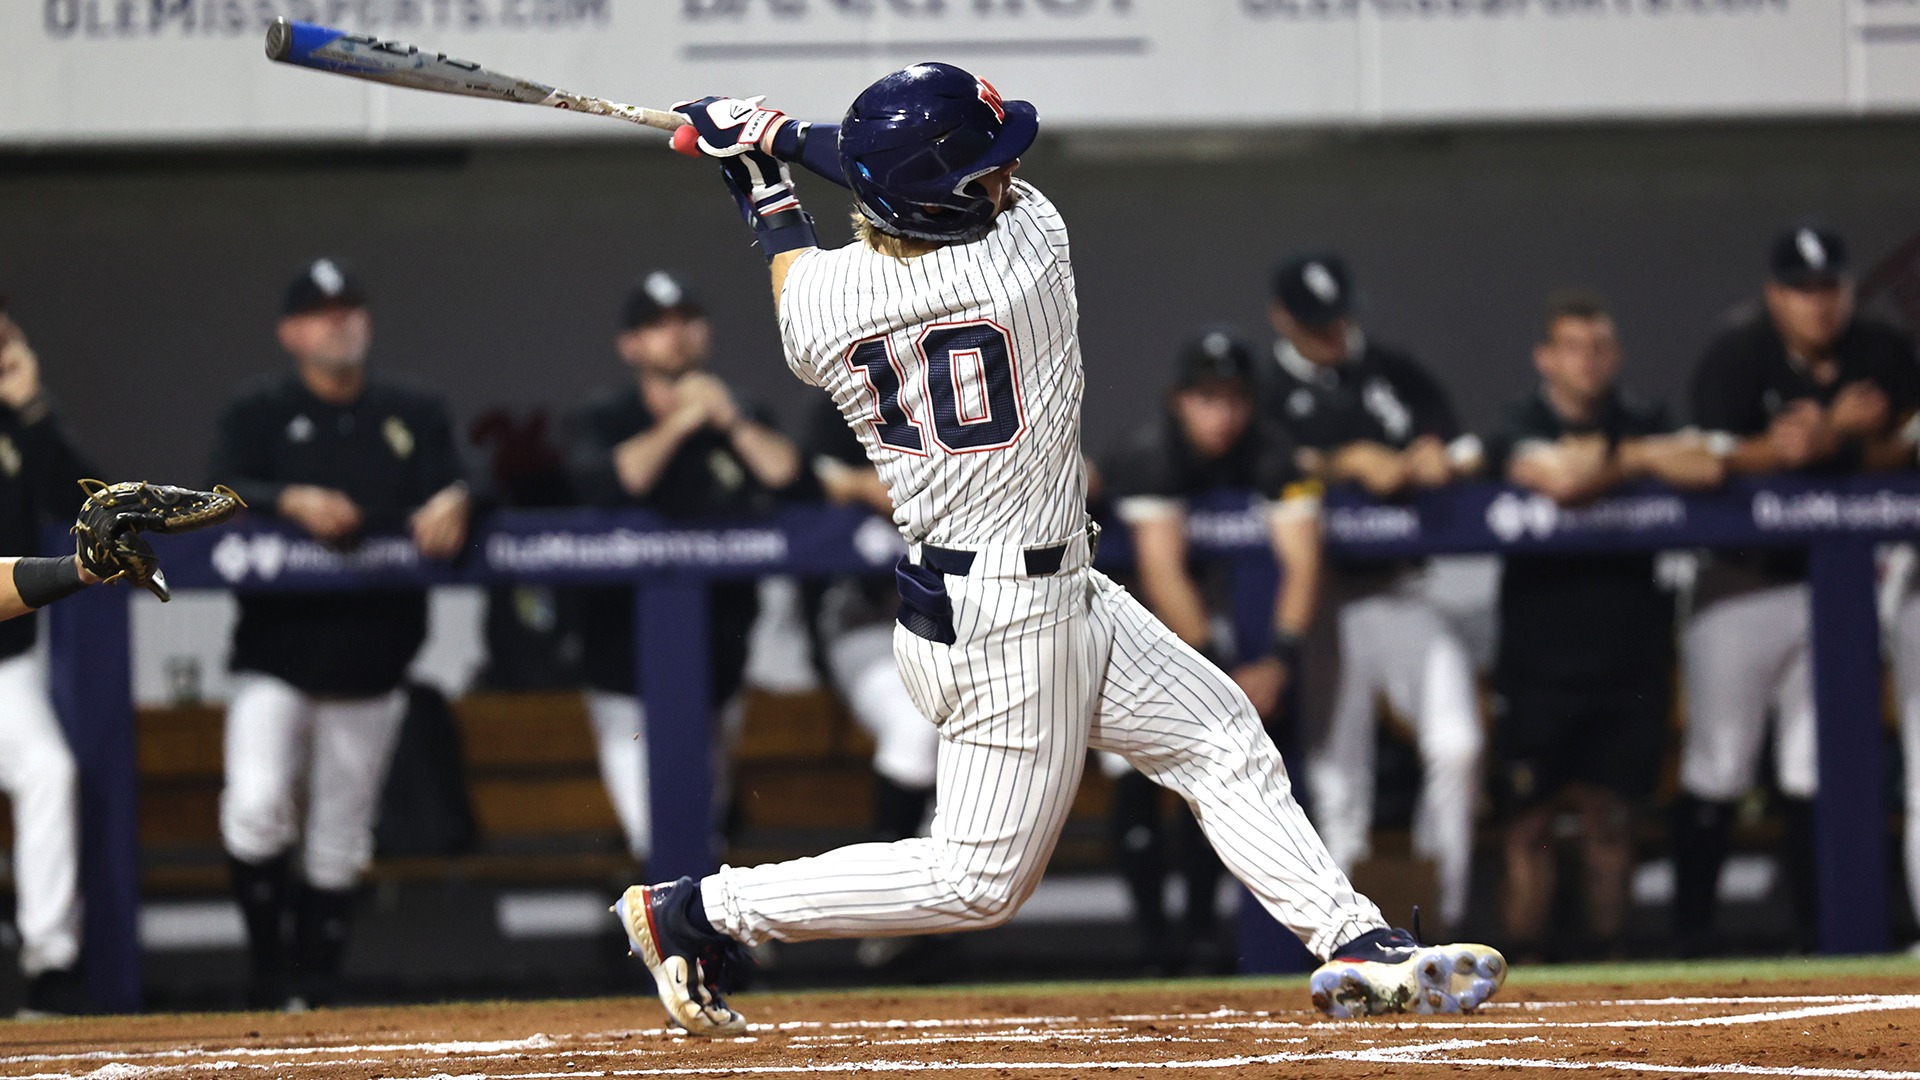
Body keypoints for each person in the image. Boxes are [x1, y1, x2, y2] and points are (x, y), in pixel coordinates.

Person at [608, 66, 1505, 1034]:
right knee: (978, 881)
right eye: (981, 173)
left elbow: (796, 246)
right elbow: (862, 169)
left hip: (1018, 593)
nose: (1005, 177)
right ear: (939, 200)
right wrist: (777, 135)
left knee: (1221, 736)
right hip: (1006, 623)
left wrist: (755, 174)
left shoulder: (822, 313)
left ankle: (1355, 942)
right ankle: (697, 912)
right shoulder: (1028, 254)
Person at [208, 258, 473, 1009]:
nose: (340, 321)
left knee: (341, 832)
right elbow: (215, 488)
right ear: (291, 332)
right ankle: (268, 976)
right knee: (257, 805)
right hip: (277, 654)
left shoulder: (411, 407)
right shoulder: (259, 409)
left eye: (351, 307)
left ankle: (316, 989)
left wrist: (459, 498)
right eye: (322, 312)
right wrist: (288, 498)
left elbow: (473, 478)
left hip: (376, 655)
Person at [1679, 224, 1920, 954]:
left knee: (1815, 763)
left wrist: (1833, 442)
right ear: (1774, 294)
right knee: (1719, 765)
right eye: (1802, 290)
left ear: (1848, 289)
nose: (1819, 305)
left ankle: (1823, 940)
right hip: (1740, 582)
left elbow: (1901, 448)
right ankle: (1686, 942)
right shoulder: (1739, 351)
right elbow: (1705, 457)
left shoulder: (1880, 350)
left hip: (1834, 590)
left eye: (1830, 289)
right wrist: (1798, 446)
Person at [1485, 291, 1722, 962]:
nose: (1586, 361)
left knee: (1611, 827)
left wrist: (1618, 457)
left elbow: (1707, 464)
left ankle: (1610, 978)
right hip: (1537, 666)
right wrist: (1638, 460)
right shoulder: (1518, 421)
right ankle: (1515, 984)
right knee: (1526, 830)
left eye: (1598, 347)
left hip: (1629, 662)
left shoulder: (1642, 417)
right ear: (1545, 358)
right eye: (1571, 348)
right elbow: (1556, 479)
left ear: (1614, 356)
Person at [1254, 251, 1484, 934]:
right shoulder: (1268, 388)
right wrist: (1342, 462)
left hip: (1402, 587)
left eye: (1341, 316)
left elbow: (1470, 444)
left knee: (1459, 744)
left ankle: (1447, 919)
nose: (1335, 332)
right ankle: (1345, 937)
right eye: (1318, 322)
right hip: (1326, 598)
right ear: (1284, 319)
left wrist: (1438, 458)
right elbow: (1261, 462)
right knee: (1337, 779)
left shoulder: (1391, 368)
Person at [1099, 328, 1324, 974]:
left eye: (1233, 399)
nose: (1220, 415)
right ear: (1179, 399)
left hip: (1220, 629)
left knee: (1213, 774)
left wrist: (1279, 658)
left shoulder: (1274, 451)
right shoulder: (1149, 452)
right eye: (1206, 398)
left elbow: (1302, 561)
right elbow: (1161, 569)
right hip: (1128, 623)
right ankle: (1153, 944)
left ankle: (1200, 935)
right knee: (1134, 776)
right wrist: (1218, 678)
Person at [566, 271, 802, 869]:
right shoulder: (605, 414)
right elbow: (612, 481)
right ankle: (696, 952)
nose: (676, 335)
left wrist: (728, 423)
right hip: (626, 669)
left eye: (687, 321)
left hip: (717, 663)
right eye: (657, 326)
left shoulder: (741, 412)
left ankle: (697, 954)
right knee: (659, 836)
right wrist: (680, 423)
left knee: (705, 825)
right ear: (631, 345)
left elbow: (790, 481)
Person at [801, 392, 947, 974]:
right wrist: (866, 487)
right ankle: (884, 910)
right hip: (865, 616)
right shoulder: (856, 391)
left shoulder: (966, 384)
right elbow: (806, 476)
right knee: (915, 732)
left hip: (964, 617)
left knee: (962, 741)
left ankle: (925, 922)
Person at [0, 296, 90, 1016]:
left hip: (7, 665)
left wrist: (32, 410)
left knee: (49, 771)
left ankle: (51, 964)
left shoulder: (13, 424)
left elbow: (77, 503)